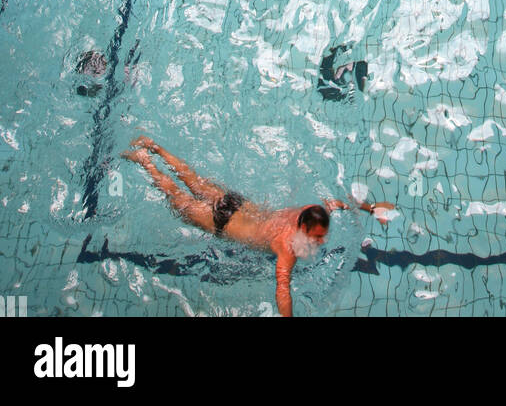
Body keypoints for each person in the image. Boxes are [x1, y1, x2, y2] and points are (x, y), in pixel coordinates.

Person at [122, 135, 393, 318]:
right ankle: (146, 161)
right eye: (318, 237)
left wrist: (372, 208)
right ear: (303, 229)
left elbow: (338, 203)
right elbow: (282, 287)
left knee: (193, 180)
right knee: (176, 196)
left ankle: (155, 147)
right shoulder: (287, 247)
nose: (322, 241)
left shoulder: (310, 212)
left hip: (235, 202)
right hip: (222, 222)